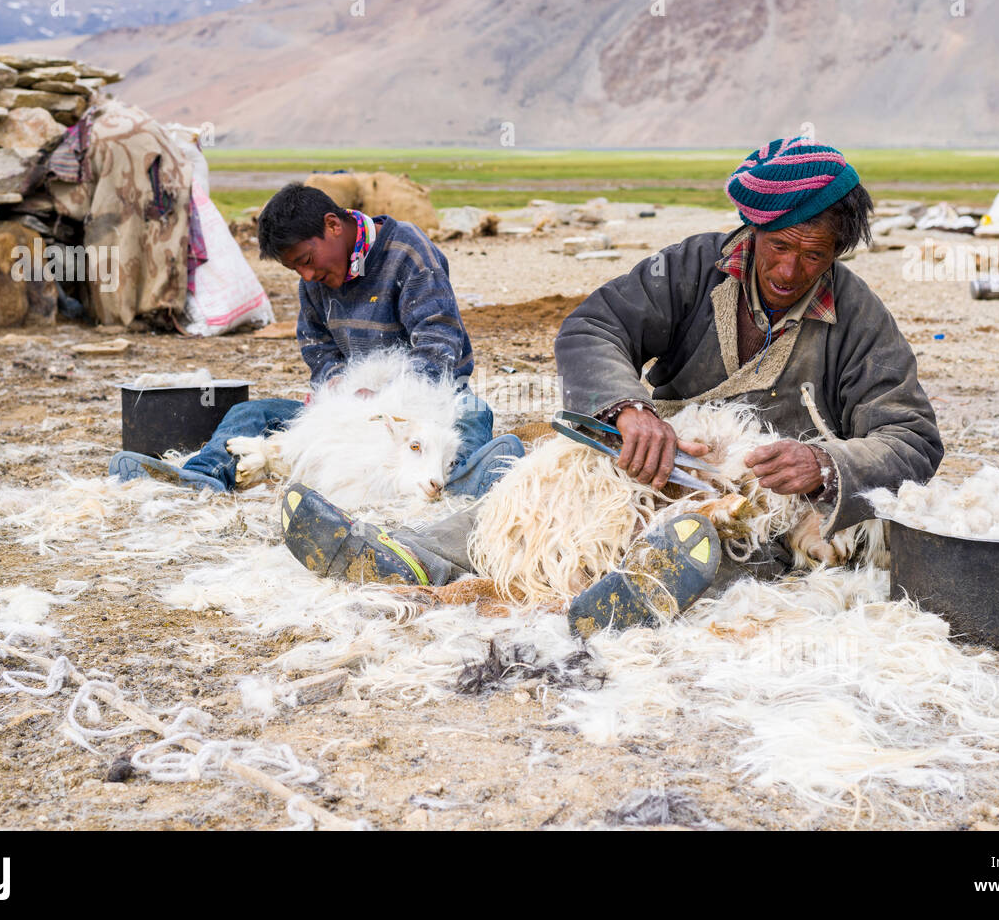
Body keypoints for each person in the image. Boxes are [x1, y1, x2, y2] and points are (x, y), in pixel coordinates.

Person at [279, 138, 943, 634]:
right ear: (754, 228)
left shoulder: (856, 315)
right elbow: (593, 327)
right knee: (543, 487)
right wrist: (628, 410)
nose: (793, 268)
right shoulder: (692, 268)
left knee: (716, 539)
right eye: (780, 247)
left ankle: (630, 589)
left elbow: (911, 435)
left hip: (761, 499)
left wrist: (825, 462)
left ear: (837, 253)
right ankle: (404, 554)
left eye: (815, 254)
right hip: (662, 456)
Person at [110, 183, 522, 495]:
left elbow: (439, 344)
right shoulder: (316, 279)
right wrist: (337, 385)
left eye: (307, 261)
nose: (306, 277)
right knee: (250, 415)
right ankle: (202, 478)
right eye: (296, 270)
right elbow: (318, 348)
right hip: (352, 412)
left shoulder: (408, 252)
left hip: (422, 406)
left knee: (472, 411)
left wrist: (385, 398)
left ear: (332, 225)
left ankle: (459, 484)